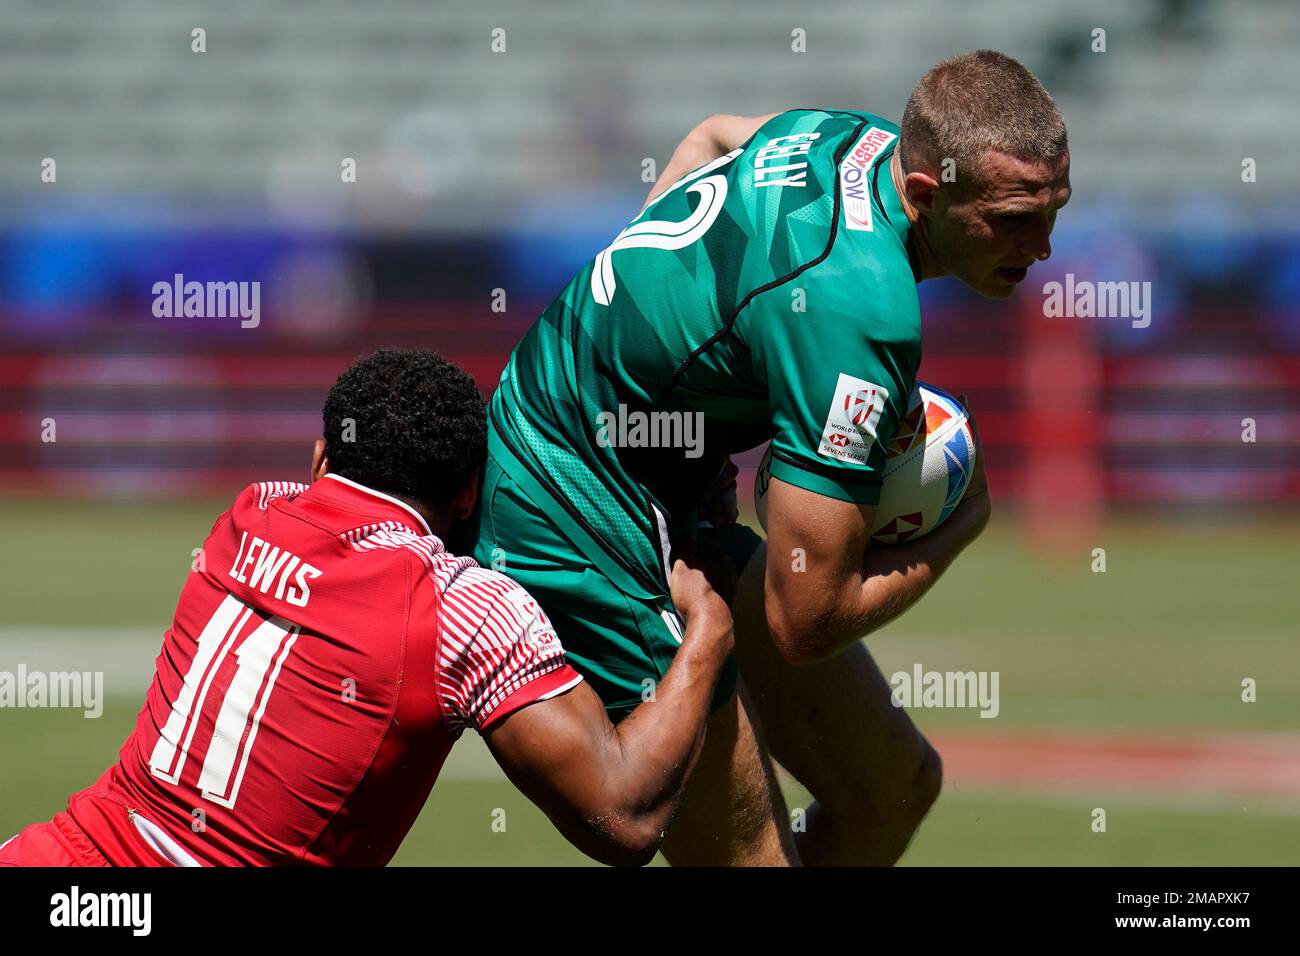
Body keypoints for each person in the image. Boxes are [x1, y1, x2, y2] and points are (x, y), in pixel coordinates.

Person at [472, 50, 1071, 864]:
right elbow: (804, 618)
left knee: (890, 787)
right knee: (750, 854)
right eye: (1012, 220)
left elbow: (711, 137)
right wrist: (962, 523)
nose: (1042, 246)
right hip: (569, 486)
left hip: (655, 462)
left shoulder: (850, 138)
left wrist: (642, 323)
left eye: (1053, 210)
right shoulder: (859, 311)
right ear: (927, 195)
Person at [0, 348, 734, 867]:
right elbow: (624, 818)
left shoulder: (247, 515)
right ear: (469, 494)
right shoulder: (465, 608)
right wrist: (707, 632)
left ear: (321, 458)